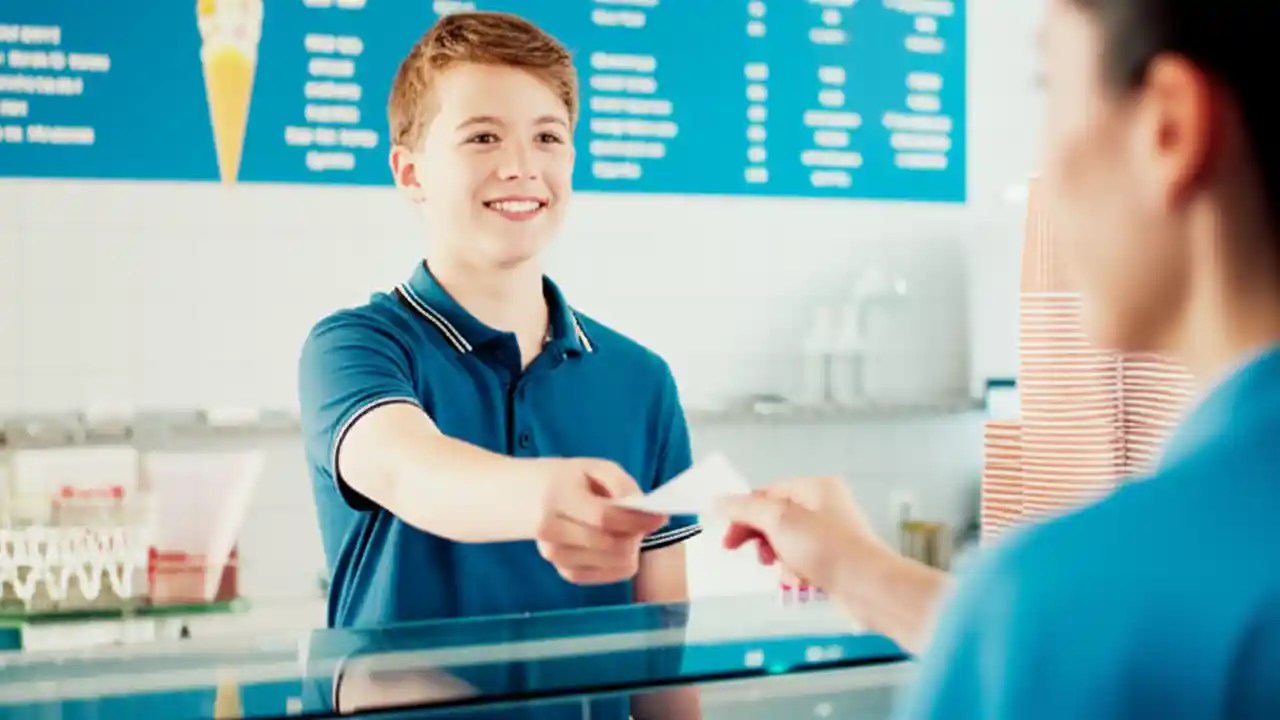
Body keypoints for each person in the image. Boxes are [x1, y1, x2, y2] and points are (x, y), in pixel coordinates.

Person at [719, 0, 1280, 717]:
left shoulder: (1073, 596)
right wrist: (858, 571)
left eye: (1050, 87)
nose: (1039, 169)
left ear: (1168, 128)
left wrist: (1011, 608)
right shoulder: (1077, 607)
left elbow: (1076, 635)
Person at [297, 10, 700, 637]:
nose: (521, 166)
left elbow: (663, 660)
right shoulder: (356, 347)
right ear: (410, 172)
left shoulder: (644, 382)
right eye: (483, 137)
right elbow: (410, 470)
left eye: (547, 137)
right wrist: (546, 498)